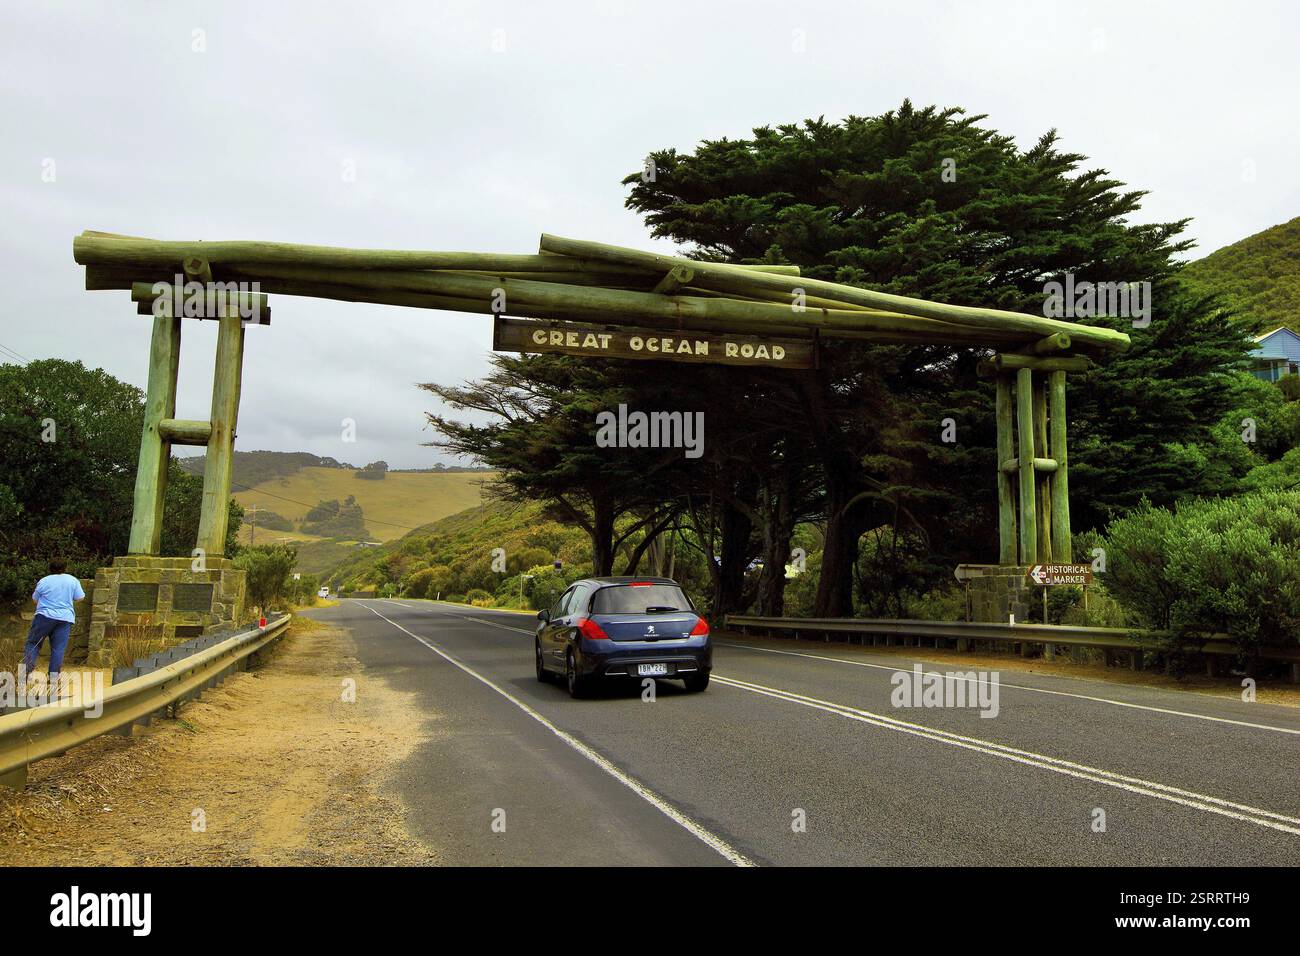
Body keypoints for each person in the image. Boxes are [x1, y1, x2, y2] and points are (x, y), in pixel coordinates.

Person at [24, 559, 85, 689]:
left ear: (50, 568)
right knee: (58, 649)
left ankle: (25, 673)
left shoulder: (44, 581)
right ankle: (53, 680)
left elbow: (34, 600)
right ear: (65, 567)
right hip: (65, 618)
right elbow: (80, 597)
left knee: (33, 644)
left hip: (44, 617)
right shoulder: (72, 580)